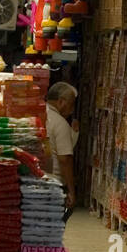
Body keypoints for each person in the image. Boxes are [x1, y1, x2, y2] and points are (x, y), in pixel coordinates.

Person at [45, 81, 79, 215]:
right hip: (55, 182)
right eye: (71, 105)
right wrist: (71, 190)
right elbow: (65, 159)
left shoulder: (39, 114)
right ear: (61, 102)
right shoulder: (60, 123)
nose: (71, 110)